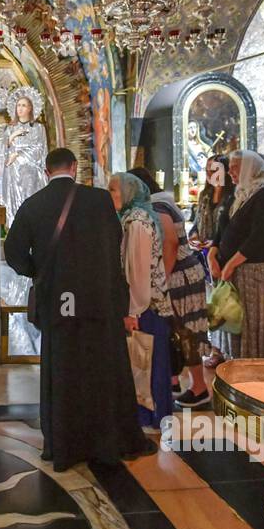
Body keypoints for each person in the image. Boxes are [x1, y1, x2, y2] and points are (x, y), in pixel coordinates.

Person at [4, 148, 154, 470]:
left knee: (64, 370)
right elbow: (115, 245)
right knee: (102, 369)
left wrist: (42, 271)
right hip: (99, 301)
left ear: (46, 171)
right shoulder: (99, 200)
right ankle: (107, 442)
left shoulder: (33, 206)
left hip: (59, 303)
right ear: (74, 167)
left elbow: (13, 252)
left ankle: (64, 446)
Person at [132, 168, 212, 409]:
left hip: (179, 276)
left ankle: (199, 388)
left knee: (186, 330)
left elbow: (170, 242)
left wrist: (162, 279)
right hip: (179, 273)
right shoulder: (158, 204)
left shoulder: (157, 207)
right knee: (173, 330)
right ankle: (174, 381)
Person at [109, 172, 175, 429]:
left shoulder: (137, 222)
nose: (110, 194)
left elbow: (138, 271)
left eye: (114, 190)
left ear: (128, 193)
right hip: (144, 305)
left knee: (147, 364)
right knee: (143, 363)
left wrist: (132, 311)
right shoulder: (130, 217)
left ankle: (151, 417)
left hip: (146, 306)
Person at [209, 151, 264, 359]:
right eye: (231, 167)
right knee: (237, 318)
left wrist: (232, 264)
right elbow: (221, 228)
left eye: (236, 167)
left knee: (254, 320)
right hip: (236, 268)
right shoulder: (236, 194)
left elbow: (259, 236)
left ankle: (256, 361)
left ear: (250, 169)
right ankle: (234, 359)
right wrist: (212, 254)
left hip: (256, 270)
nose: (231, 172)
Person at [0, 87, 49, 227]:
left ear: (30, 108)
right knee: (15, 204)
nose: (20, 108)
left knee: (30, 202)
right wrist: (12, 136)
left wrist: (18, 155)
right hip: (13, 175)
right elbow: (0, 150)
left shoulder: (38, 128)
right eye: (18, 105)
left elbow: (40, 151)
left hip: (30, 174)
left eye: (24, 105)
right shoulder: (10, 128)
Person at [192, 153, 234, 247]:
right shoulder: (204, 195)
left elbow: (234, 228)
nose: (209, 174)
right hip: (204, 250)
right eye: (207, 171)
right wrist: (194, 234)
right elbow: (197, 221)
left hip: (224, 249)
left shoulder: (233, 196)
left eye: (214, 171)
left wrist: (215, 243)